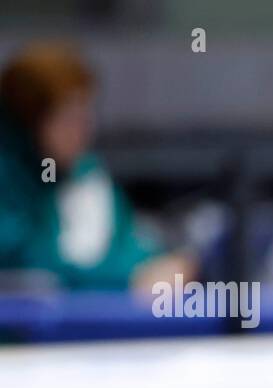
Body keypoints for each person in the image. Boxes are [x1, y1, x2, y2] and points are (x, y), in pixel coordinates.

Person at [0, 41, 194, 291]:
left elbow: (130, 243)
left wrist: (165, 263)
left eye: (86, 115)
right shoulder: (7, 182)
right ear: (27, 121)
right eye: (69, 118)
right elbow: (30, 269)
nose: (83, 130)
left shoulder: (85, 173)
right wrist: (128, 281)